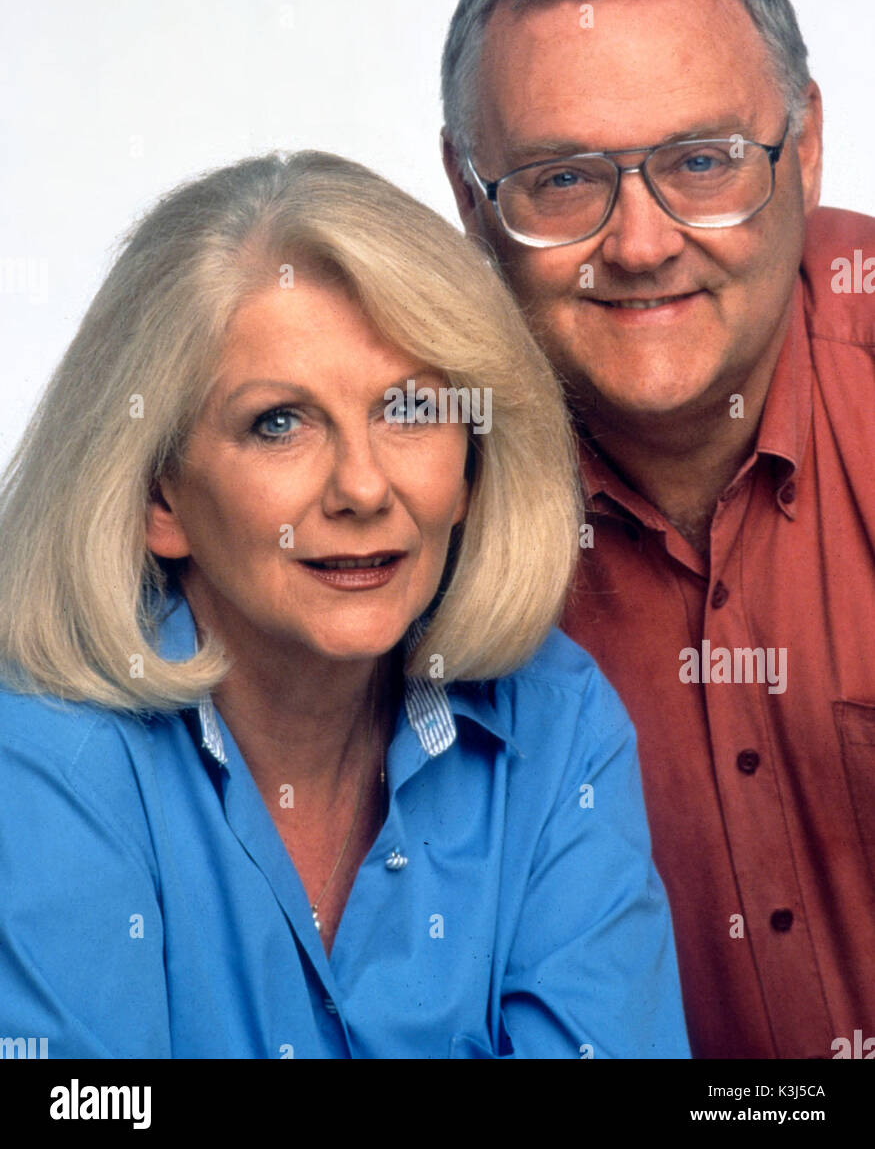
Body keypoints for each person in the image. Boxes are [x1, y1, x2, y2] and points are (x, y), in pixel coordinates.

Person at [0, 149, 688, 1059]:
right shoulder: (46, 758)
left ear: (474, 465)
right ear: (157, 498)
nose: (362, 489)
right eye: (278, 422)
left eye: (408, 410)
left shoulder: (556, 726)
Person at [440, 0, 875, 1060]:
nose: (638, 246)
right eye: (562, 181)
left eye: (699, 160)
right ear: (467, 195)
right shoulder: (399, 490)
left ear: (808, 143)